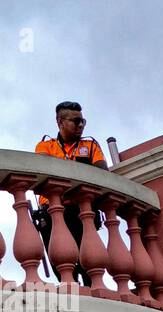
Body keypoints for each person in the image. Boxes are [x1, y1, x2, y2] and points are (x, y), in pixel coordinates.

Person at [32, 101, 107, 283]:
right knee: (62, 267)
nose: (80, 125)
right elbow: (44, 173)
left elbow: (103, 174)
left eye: (83, 121)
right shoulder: (45, 146)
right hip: (53, 212)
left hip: (82, 212)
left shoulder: (91, 146)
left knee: (90, 266)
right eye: (75, 121)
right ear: (60, 122)